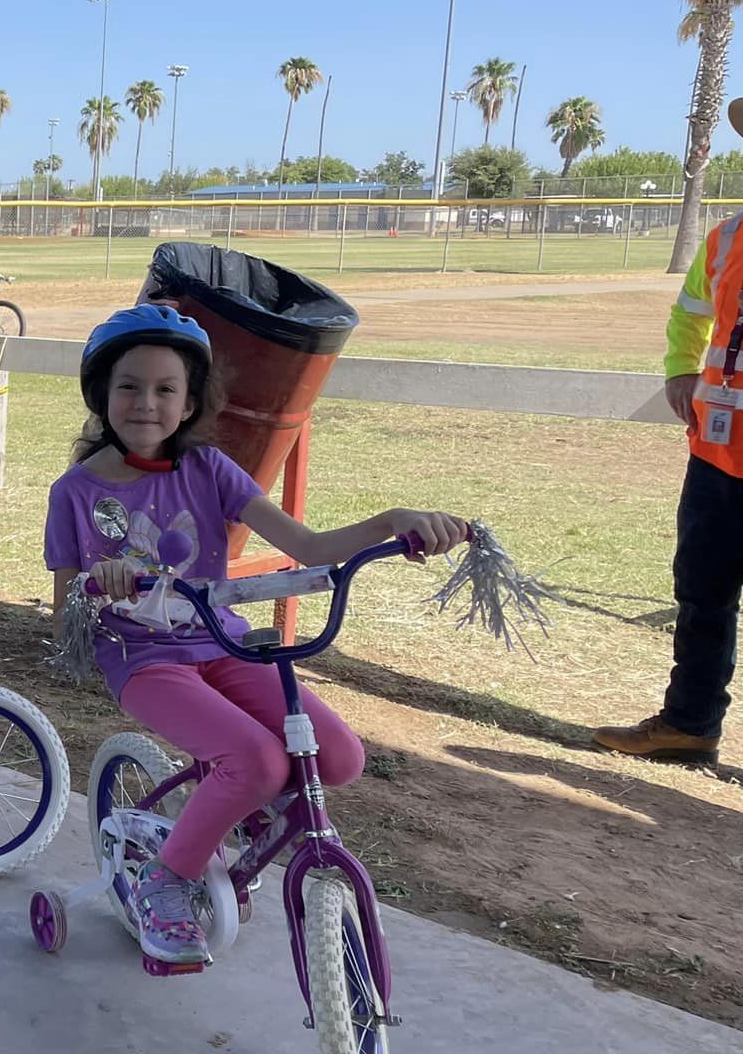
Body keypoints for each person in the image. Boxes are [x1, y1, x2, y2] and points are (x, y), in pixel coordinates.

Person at [44, 304, 464, 966]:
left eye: (164, 389)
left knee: (340, 756)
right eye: (128, 386)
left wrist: (392, 521)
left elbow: (308, 544)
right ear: (102, 394)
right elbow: (65, 600)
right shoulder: (75, 491)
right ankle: (166, 879)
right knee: (260, 763)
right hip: (144, 661)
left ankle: (236, 807)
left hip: (224, 641)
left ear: (188, 404)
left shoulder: (208, 469)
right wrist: (102, 579)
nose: (145, 403)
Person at [596, 112, 743, 765]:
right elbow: (690, 315)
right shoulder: (727, 237)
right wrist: (683, 369)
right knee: (702, 596)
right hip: (718, 458)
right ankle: (688, 725)